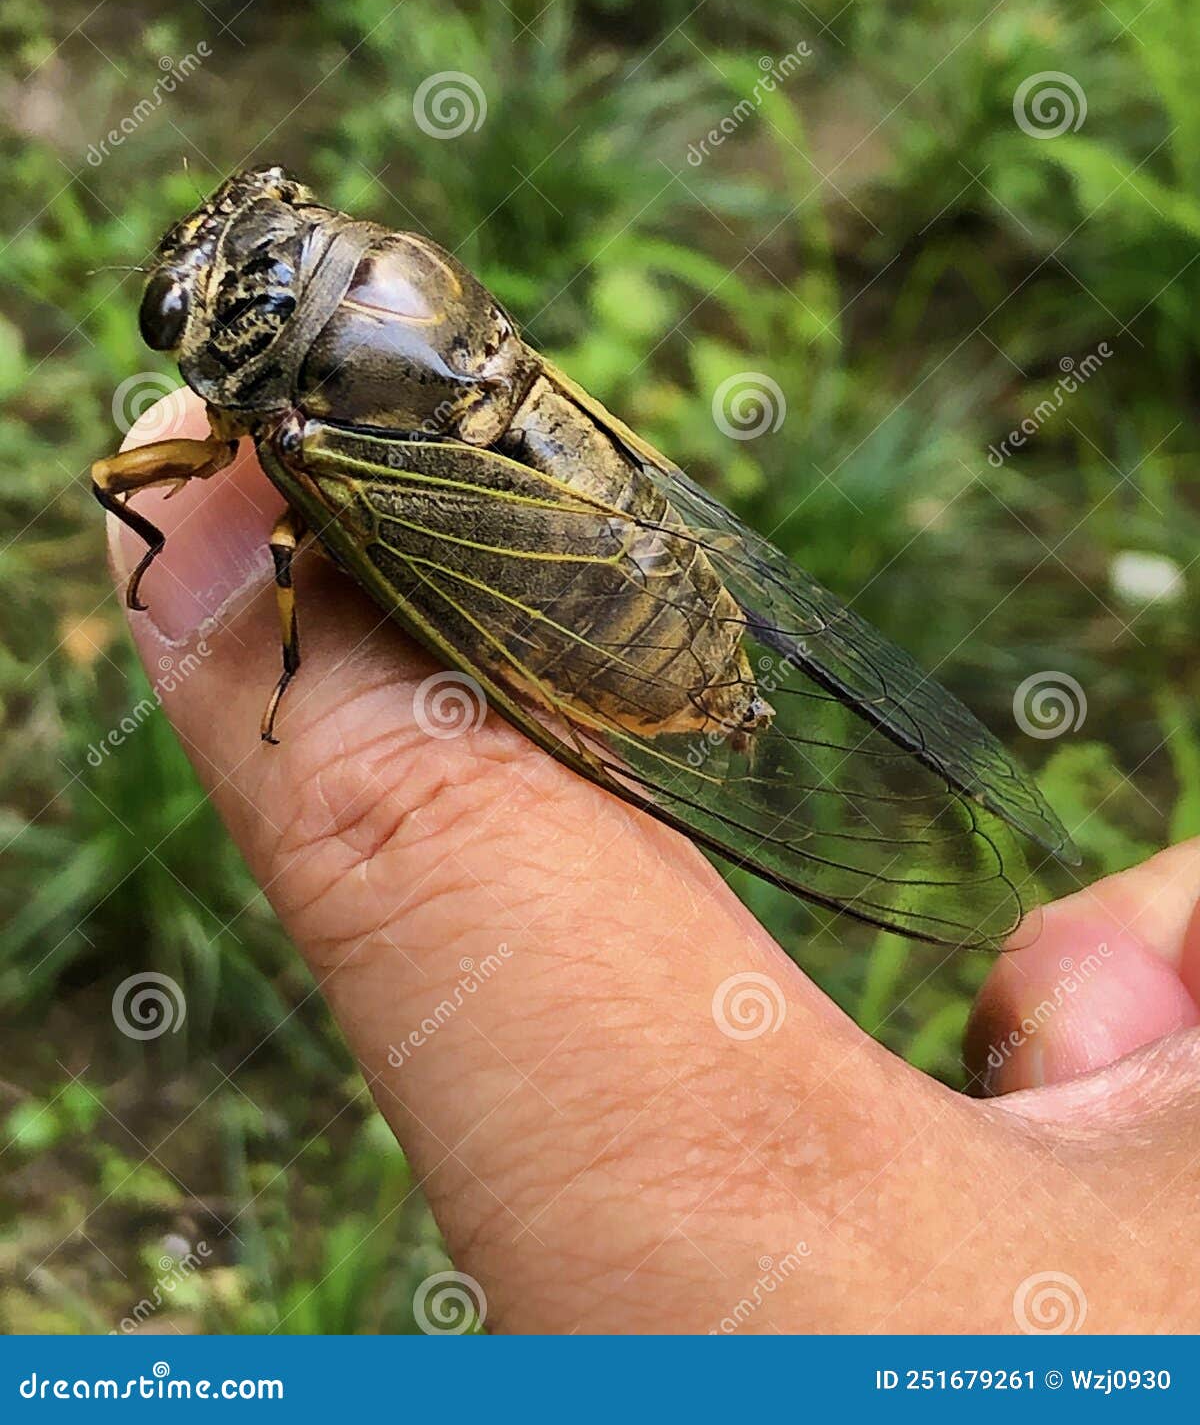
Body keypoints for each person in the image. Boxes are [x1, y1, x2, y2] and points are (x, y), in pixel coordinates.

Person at [105, 394, 1200, 1334]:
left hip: (573, 599)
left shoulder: (290, 436)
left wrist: (269, 643)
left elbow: (246, 524)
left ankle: (717, 691)